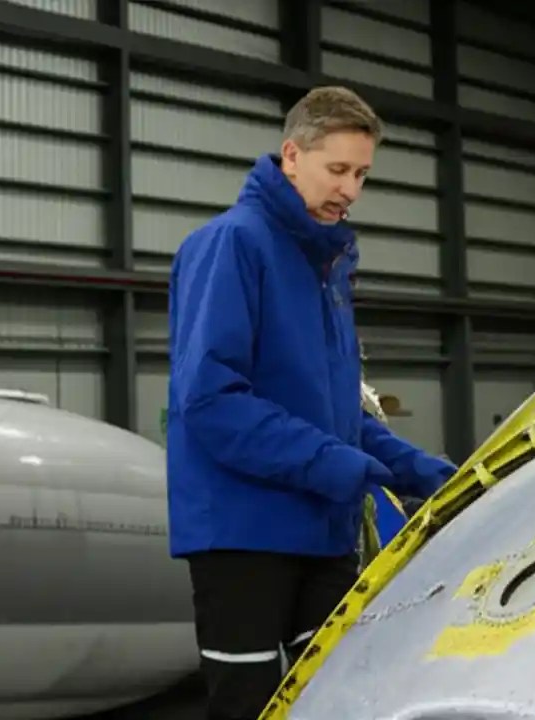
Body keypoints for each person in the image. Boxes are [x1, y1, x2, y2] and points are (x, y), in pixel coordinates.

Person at [165, 86, 458, 720]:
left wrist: (420, 471)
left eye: (362, 174)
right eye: (338, 170)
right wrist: (342, 465)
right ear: (291, 156)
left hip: (322, 534)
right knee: (253, 707)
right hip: (246, 535)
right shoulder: (232, 245)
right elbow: (212, 402)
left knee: (331, 703)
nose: (350, 189)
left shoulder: (326, 267)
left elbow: (335, 415)